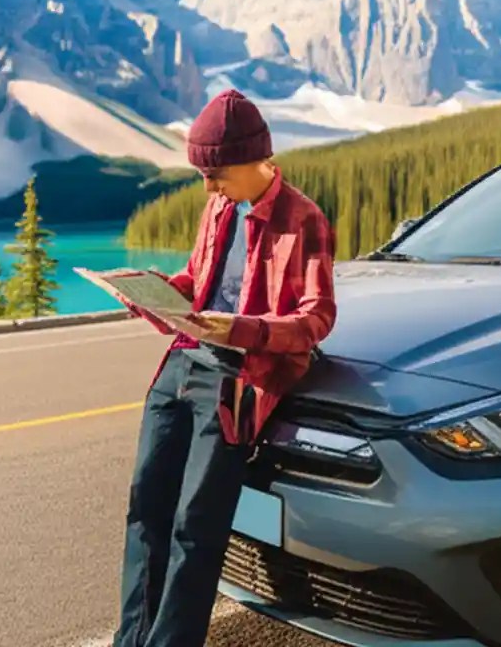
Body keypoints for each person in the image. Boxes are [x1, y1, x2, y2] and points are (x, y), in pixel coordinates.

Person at [110, 88, 338, 647]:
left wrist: (242, 329)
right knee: (146, 509)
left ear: (256, 159)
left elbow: (316, 319)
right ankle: (130, 639)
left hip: (239, 377)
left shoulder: (302, 218)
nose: (208, 187)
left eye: (217, 174)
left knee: (195, 523)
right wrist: (154, 294)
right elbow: (197, 281)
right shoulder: (217, 208)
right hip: (181, 361)